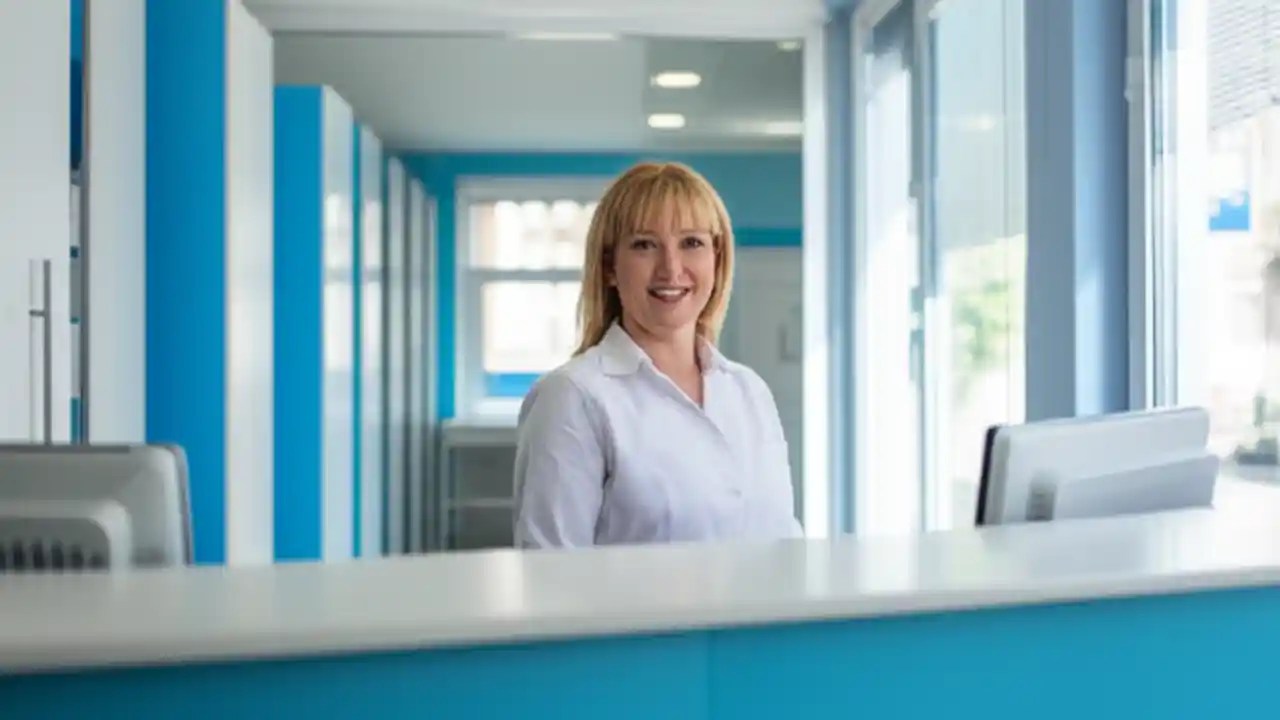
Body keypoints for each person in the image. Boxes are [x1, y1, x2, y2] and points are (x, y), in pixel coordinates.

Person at [512, 161, 802, 548]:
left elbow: (786, 542)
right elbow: (548, 577)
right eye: (644, 244)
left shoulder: (749, 392)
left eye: (691, 243)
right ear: (610, 267)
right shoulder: (572, 398)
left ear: (717, 258)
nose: (671, 268)